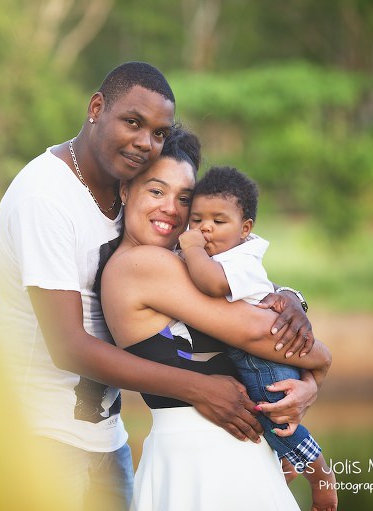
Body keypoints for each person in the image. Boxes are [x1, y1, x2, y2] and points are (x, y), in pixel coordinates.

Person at [0, 62, 317, 511]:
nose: (146, 142)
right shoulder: (45, 198)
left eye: (159, 132)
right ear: (96, 108)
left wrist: (292, 300)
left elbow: (228, 278)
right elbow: (68, 346)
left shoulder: (128, 196)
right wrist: (199, 388)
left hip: (106, 436)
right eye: (133, 122)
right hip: (39, 436)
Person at [99, 128, 333, 510]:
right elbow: (257, 330)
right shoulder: (142, 263)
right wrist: (321, 362)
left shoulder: (181, 260)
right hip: (204, 456)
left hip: (226, 450)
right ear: (125, 190)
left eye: (184, 198)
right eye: (156, 191)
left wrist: (291, 297)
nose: (171, 209)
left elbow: (259, 294)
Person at [178, 166, 338, 511]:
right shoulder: (220, 255)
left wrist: (190, 249)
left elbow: (211, 283)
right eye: (197, 220)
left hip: (263, 360)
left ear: (245, 229)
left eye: (219, 221)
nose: (205, 228)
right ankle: (287, 461)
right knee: (269, 420)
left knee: (276, 420)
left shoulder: (240, 259)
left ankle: (321, 476)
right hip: (254, 357)